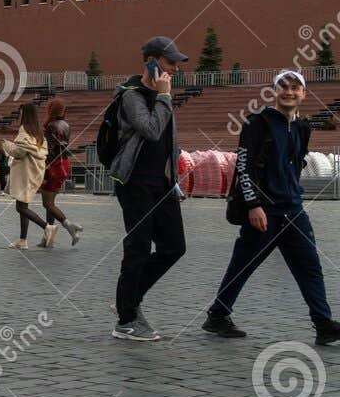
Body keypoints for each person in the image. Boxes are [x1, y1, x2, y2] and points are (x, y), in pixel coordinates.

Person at [205, 70, 340, 345]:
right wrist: (254, 204)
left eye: (295, 88)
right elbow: (243, 166)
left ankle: (323, 324)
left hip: (294, 209)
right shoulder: (258, 123)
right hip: (265, 210)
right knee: (242, 266)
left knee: (310, 267)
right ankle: (217, 315)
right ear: (275, 91)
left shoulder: (303, 127)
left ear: (303, 93)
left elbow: (296, 161)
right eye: (284, 87)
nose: (289, 92)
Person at [109, 35, 189, 342]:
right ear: (152, 61)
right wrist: (164, 96)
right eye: (171, 63)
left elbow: (170, 143)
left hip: (162, 184)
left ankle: (127, 298)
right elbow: (152, 130)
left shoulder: (161, 96)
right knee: (138, 249)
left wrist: (174, 180)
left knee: (174, 247)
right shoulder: (132, 94)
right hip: (135, 183)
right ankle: (126, 320)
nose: (176, 70)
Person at [2, 103, 49, 250]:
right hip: (34, 173)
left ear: (26, 114)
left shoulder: (24, 130)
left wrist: (6, 145)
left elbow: (19, 152)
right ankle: (23, 240)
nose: (19, 115)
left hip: (24, 173)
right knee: (23, 205)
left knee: (20, 208)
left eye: (20, 112)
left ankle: (47, 227)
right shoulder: (38, 131)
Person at [39, 99, 81, 246]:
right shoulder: (66, 125)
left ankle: (69, 225)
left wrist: (44, 168)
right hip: (64, 164)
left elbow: (50, 150)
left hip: (54, 166)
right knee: (51, 203)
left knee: (47, 204)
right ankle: (47, 239)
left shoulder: (51, 126)